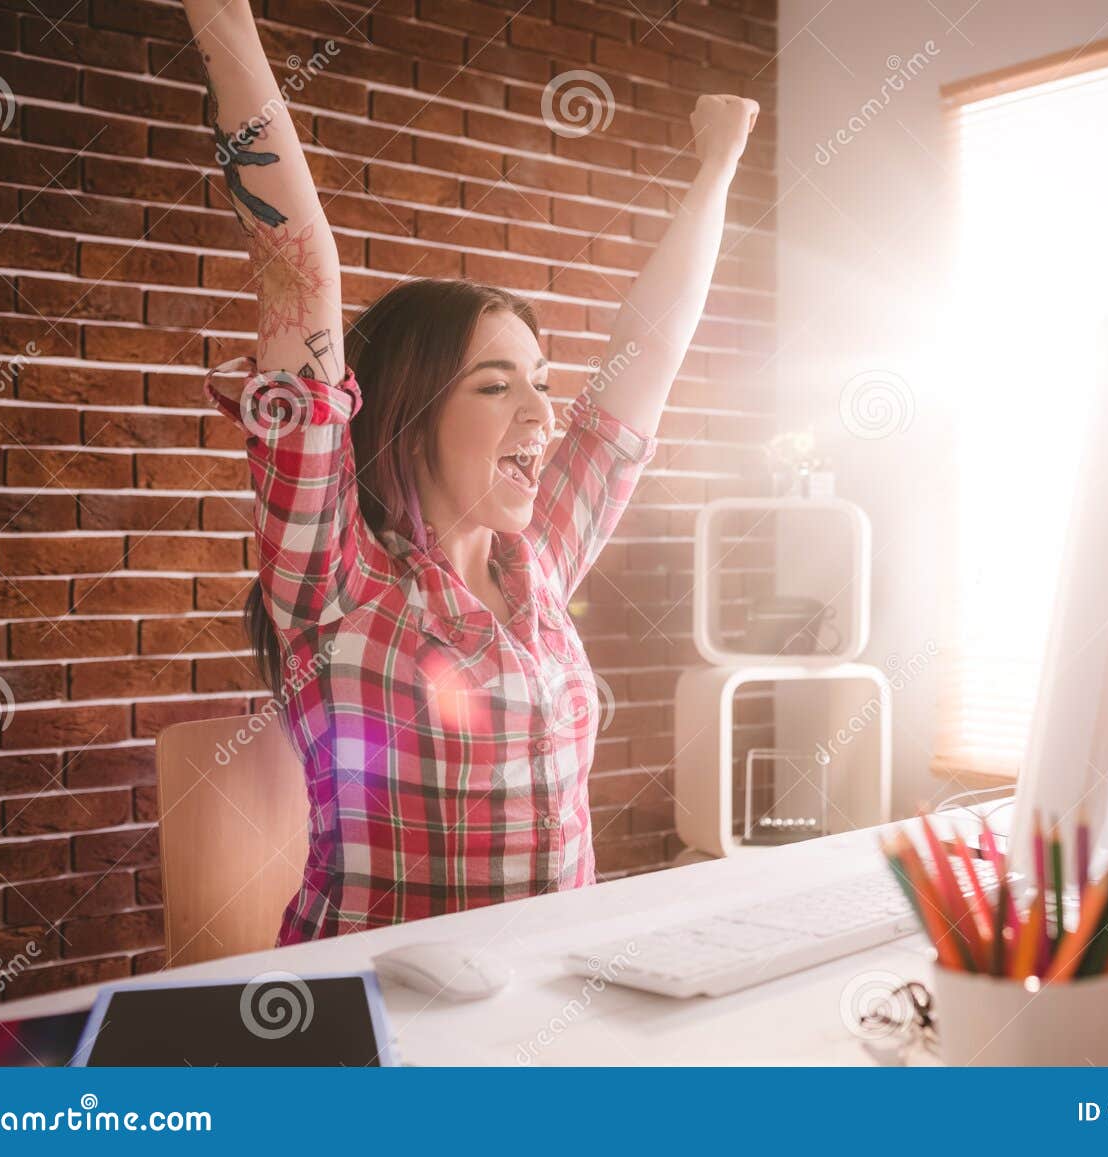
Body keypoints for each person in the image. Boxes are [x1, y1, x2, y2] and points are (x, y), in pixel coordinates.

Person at [180, 0, 757, 944]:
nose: (542, 414)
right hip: (380, 1025)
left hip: (550, 1013)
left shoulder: (541, 563)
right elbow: (299, 269)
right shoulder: (337, 582)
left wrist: (718, 168)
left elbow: (652, 350)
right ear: (407, 418)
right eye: (496, 387)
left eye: (542, 383)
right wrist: (221, 20)